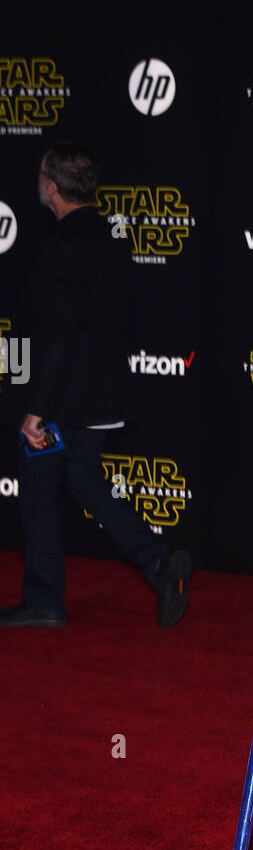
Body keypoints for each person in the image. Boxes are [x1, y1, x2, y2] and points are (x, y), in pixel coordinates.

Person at [0, 142, 191, 630]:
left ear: (54, 187)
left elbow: (58, 339)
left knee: (40, 492)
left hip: (61, 402)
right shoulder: (110, 239)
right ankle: (157, 561)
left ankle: (44, 599)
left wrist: (36, 410)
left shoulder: (61, 248)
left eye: (43, 175)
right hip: (98, 398)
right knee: (84, 482)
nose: (39, 181)